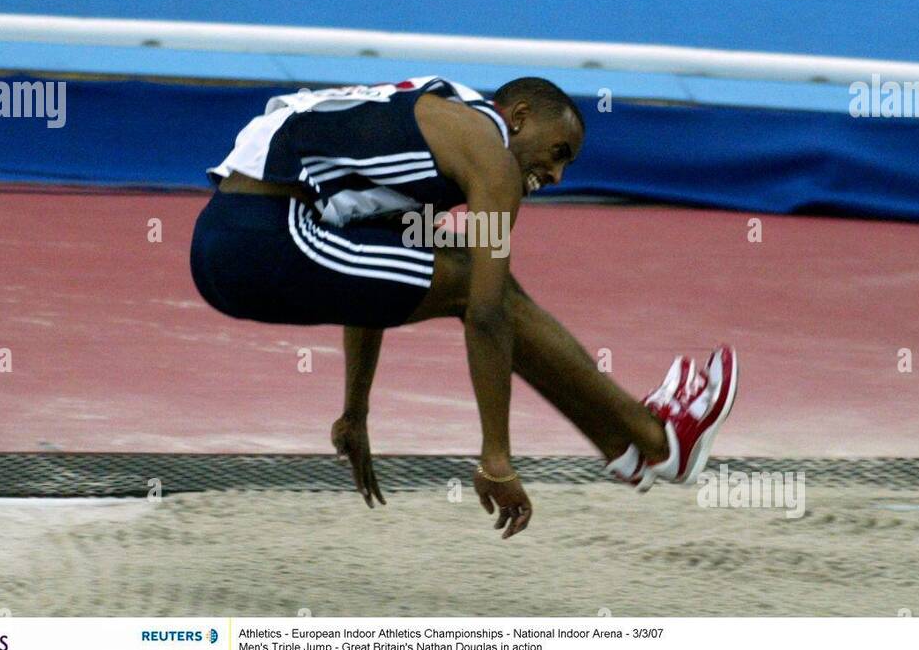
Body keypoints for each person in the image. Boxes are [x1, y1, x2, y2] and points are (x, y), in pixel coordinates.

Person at [191, 76, 738, 539]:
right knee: (482, 284)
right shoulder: (489, 153)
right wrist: (495, 456)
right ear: (519, 117)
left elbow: (370, 285)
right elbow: (486, 313)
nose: (556, 178)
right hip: (263, 239)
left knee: (462, 266)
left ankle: (623, 445)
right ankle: (655, 440)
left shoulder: (424, 126)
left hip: (225, 241)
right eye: (558, 153)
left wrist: (355, 412)